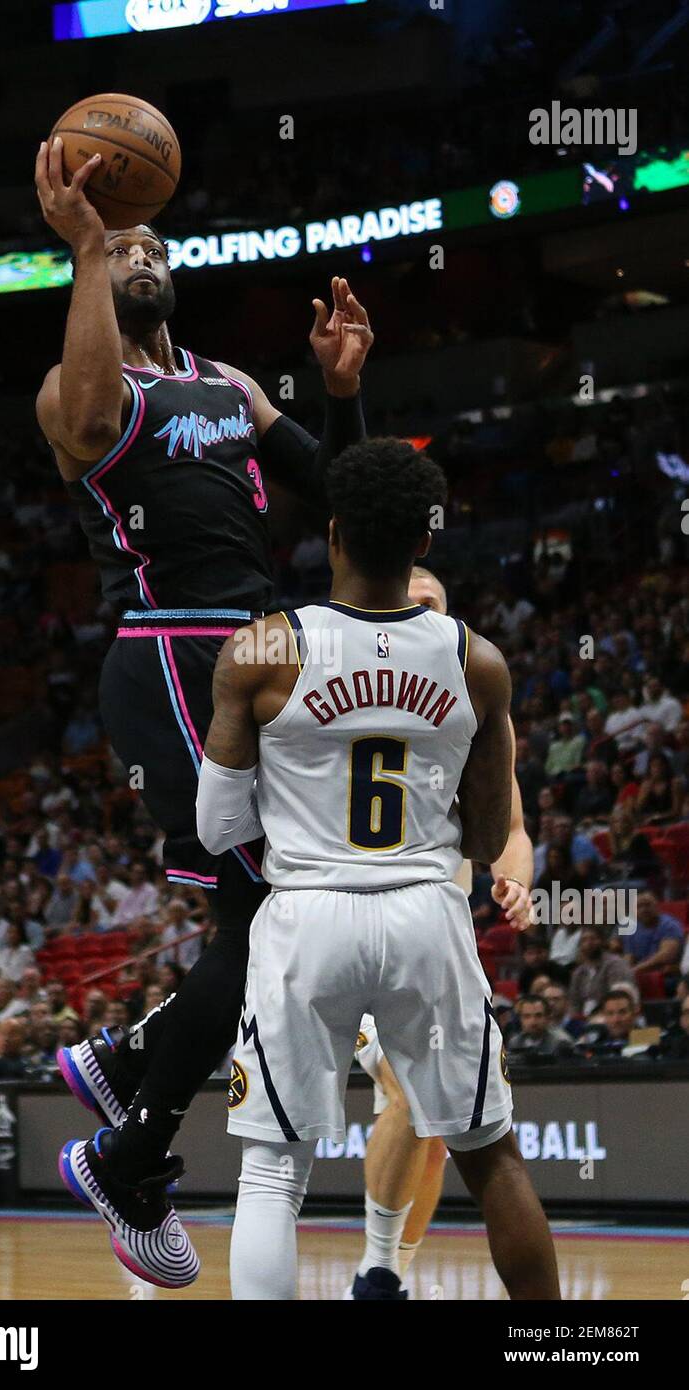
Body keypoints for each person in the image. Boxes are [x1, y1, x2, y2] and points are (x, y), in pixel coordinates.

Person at [38, 135, 373, 1286]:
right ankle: (131, 1129)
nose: (138, 252)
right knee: (279, 915)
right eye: (118, 244)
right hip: (174, 653)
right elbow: (84, 422)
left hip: (262, 647)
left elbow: (348, 499)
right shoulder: (88, 388)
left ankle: (134, 1080)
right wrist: (84, 250)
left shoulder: (228, 383)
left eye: (149, 241)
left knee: (273, 919)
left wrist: (340, 391)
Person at [196, 438, 560, 1300]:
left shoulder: (260, 651)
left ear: (332, 534)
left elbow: (215, 829)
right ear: (424, 544)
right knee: (491, 1156)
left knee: (273, 1175)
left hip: (306, 913)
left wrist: (294, 812)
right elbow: (486, 834)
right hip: (425, 914)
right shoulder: (478, 661)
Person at [347, 564, 535, 1298]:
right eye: (411, 596)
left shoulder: (477, 698)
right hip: (362, 926)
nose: (421, 607)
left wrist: (515, 875)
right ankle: (378, 1270)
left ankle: (391, 1273)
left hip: (443, 939)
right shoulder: (349, 690)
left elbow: (513, 826)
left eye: (436, 601)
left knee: (434, 1131)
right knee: (409, 1097)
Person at [568, 925, 639, 1020]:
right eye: (584, 940)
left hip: (613, 1017)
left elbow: (620, 998)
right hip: (584, 1020)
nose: (588, 943)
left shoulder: (615, 965)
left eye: (593, 939)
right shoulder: (579, 972)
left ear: (603, 941)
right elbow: (574, 1003)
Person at [505, 995, 574, 1060]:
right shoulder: (515, 1042)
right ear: (520, 1019)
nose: (533, 1021)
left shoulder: (561, 1043)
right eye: (527, 1016)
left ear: (548, 1017)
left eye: (538, 1016)